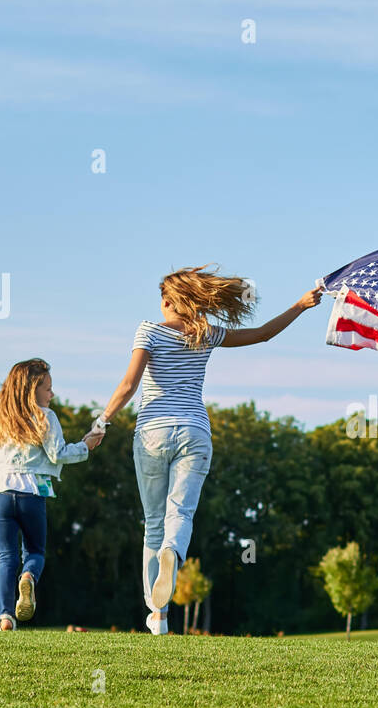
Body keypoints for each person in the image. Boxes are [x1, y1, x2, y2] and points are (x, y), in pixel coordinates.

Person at [96, 266, 324, 635]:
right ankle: (174, 554)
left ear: (169, 301)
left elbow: (128, 385)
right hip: (195, 432)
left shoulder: (148, 331)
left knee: (153, 523)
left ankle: (157, 616)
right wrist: (299, 304)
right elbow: (263, 335)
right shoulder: (208, 334)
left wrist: (101, 422)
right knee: (180, 514)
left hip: (152, 432)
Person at [0, 358, 104, 631]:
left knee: (6, 557)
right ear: (32, 390)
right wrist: (86, 446)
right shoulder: (45, 417)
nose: (52, 394)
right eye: (48, 388)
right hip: (31, 492)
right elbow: (58, 453)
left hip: (2, 493)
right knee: (35, 551)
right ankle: (28, 577)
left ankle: (5, 617)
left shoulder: (1, 420)